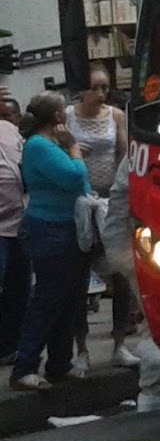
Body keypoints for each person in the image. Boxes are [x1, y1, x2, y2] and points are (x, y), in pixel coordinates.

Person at [9, 91, 92, 391]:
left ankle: (59, 363)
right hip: (51, 230)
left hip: (68, 227)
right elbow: (75, 177)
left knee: (68, 300)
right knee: (48, 299)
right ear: (57, 116)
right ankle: (24, 367)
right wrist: (74, 148)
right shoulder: (39, 145)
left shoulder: (50, 144)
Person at [99, 155, 160, 412]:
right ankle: (152, 390)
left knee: (153, 315)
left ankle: (154, 386)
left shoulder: (138, 157)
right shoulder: (140, 160)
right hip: (132, 250)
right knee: (155, 316)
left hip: (134, 247)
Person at [67, 64, 134, 371]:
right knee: (78, 278)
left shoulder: (115, 116)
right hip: (80, 201)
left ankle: (120, 344)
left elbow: (123, 153)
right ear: (83, 89)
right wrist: (70, 149)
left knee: (120, 273)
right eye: (94, 88)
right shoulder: (68, 116)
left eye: (105, 88)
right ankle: (81, 349)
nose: (100, 94)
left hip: (109, 199)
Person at [0, 93, 27, 363]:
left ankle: (10, 346)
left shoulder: (17, 138)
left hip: (20, 226)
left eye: (6, 115)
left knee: (18, 290)